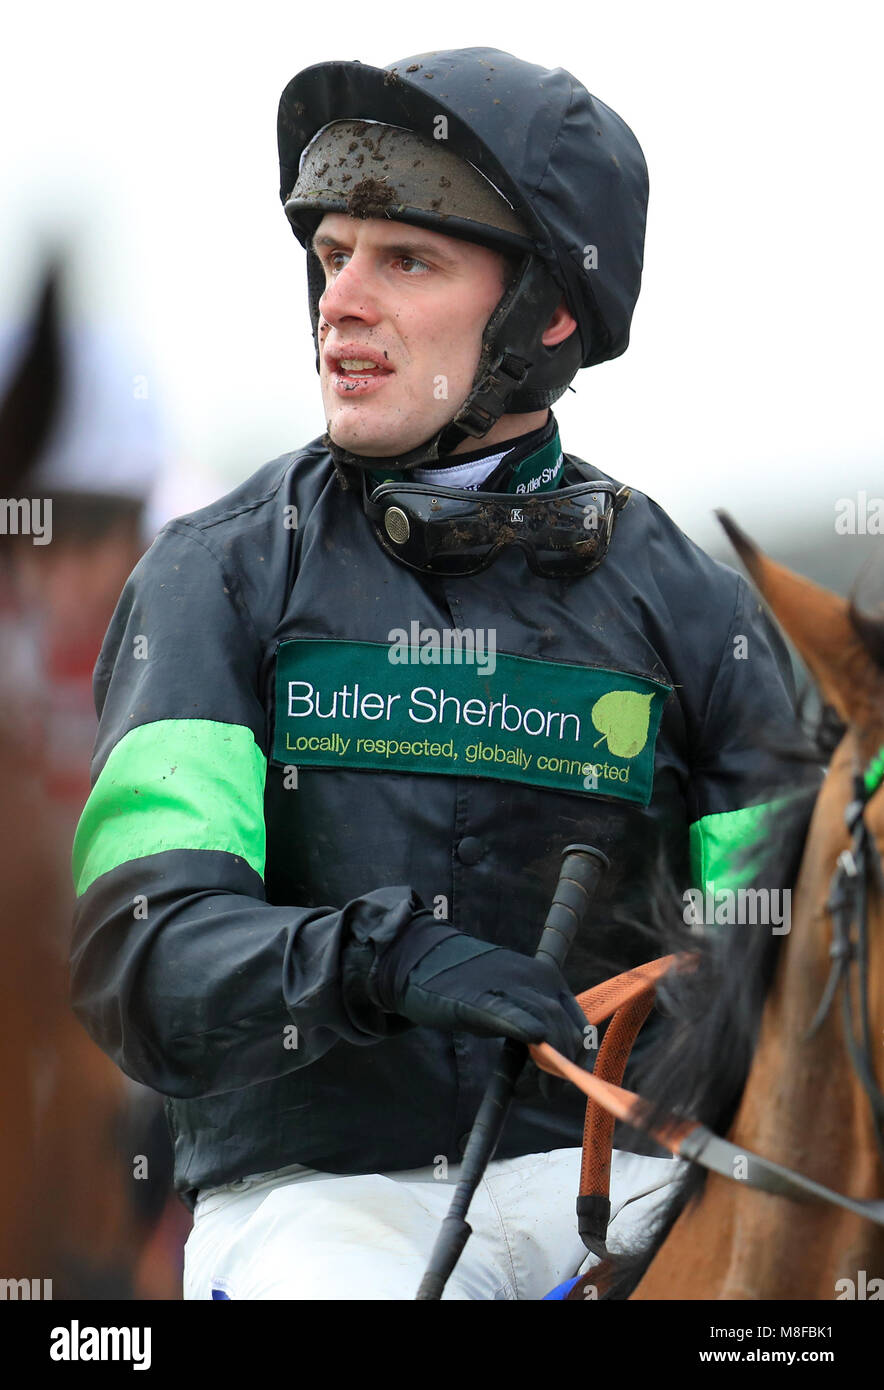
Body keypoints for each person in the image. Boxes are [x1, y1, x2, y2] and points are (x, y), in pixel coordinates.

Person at [70, 48, 817, 1300]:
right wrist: (379, 962)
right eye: (332, 257)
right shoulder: (215, 581)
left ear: (546, 316)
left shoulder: (700, 611)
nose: (339, 302)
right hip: (323, 1205)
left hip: (626, 1178)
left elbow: (796, 950)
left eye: (404, 261)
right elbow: (142, 958)